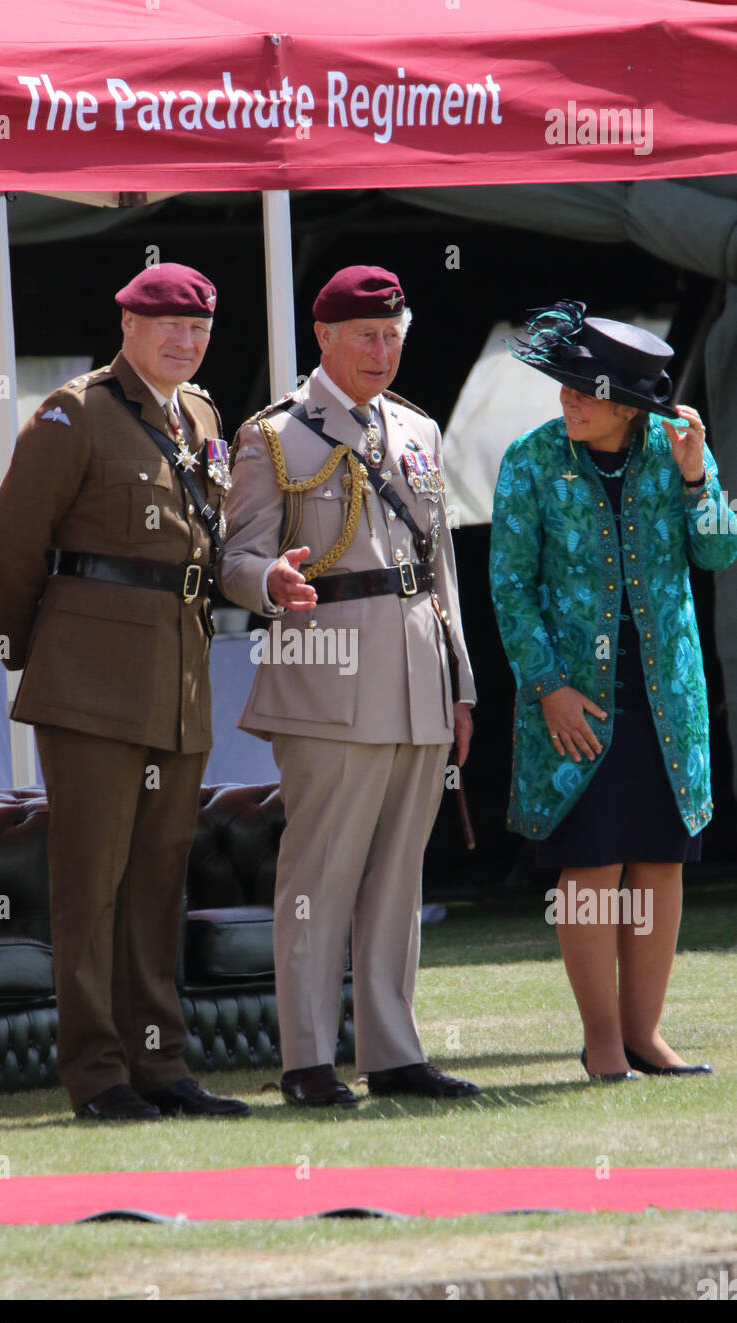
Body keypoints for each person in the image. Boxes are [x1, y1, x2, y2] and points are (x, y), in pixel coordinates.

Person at [0, 263, 249, 1121]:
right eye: (167, 325)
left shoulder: (202, 414)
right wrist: (36, 649)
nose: (185, 340)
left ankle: (160, 1065)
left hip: (178, 681)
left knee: (159, 881)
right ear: (127, 325)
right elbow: (9, 549)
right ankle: (98, 1077)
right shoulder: (75, 413)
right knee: (90, 887)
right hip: (90, 683)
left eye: (199, 328)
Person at [217, 265, 479, 1107]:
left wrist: (461, 687)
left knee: (400, 874)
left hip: (416, 676)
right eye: (365, 335)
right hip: (327, 673)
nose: (382, 349)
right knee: (320, 873)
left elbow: (441, 570)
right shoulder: (275, 435)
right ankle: (306, 1061)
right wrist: (268, 585)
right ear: (324, 338)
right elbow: (234, 555)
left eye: (394, 333)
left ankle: (393, 1052)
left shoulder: (418, 430)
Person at [489, 300, 737, 1082]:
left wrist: (699, 476)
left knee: (660, 863)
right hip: (577, 700)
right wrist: (549, 688)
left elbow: (719, 548)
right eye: (565, 388)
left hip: (667, 700)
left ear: (628, 404)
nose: (568, 402)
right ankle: (601, 1040)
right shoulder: (530, 462)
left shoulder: (675, 449)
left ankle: (645, 1035)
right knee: (592, 867)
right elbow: (510, 589)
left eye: (584, 392)